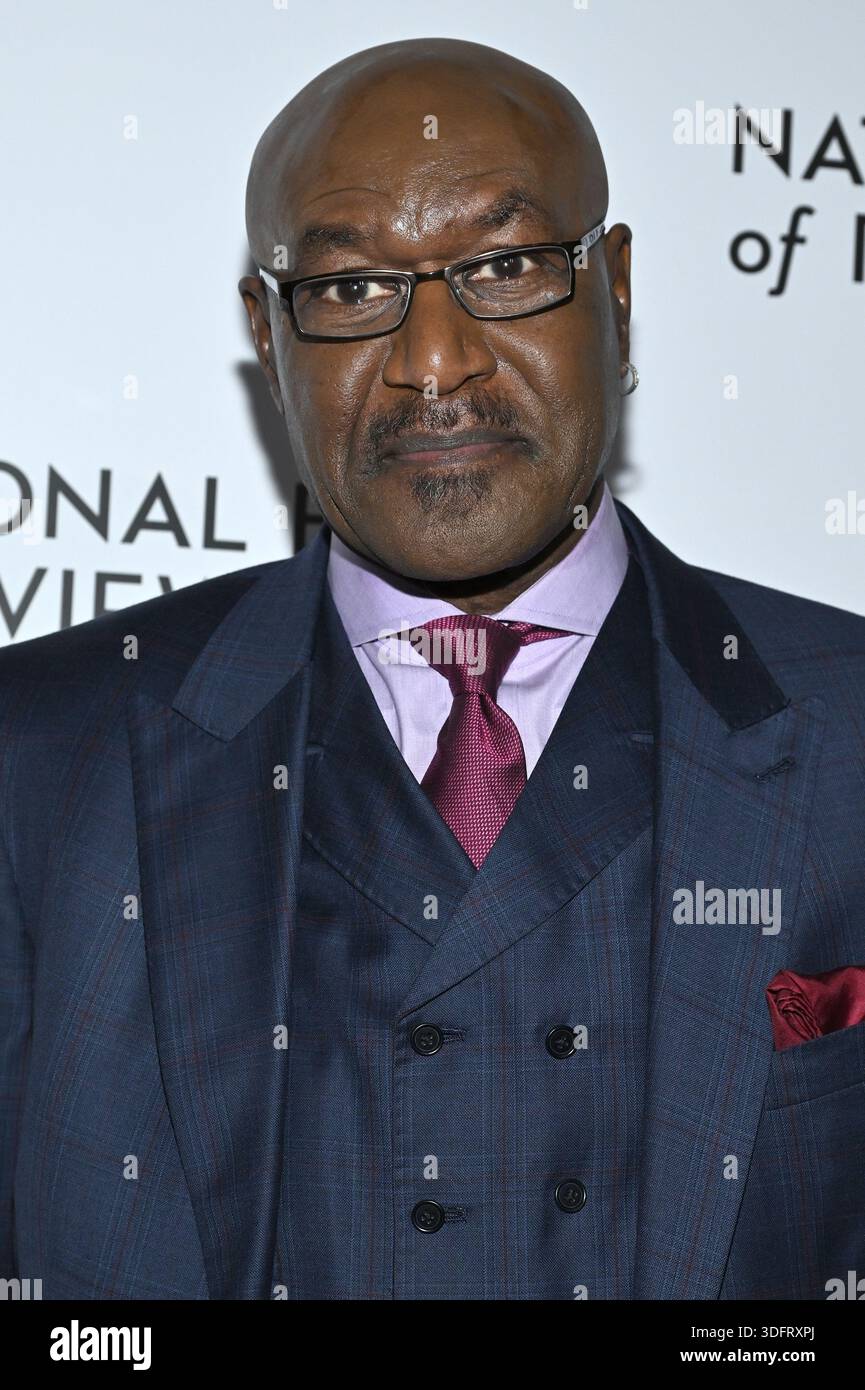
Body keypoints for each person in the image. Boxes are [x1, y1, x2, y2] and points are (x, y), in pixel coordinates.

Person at [1, 37, 863, 1301]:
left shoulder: (841, 724)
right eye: (350, 292)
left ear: (614, 288)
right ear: (266, 332)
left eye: (507, 266)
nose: (435, 360)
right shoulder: (38, 756)